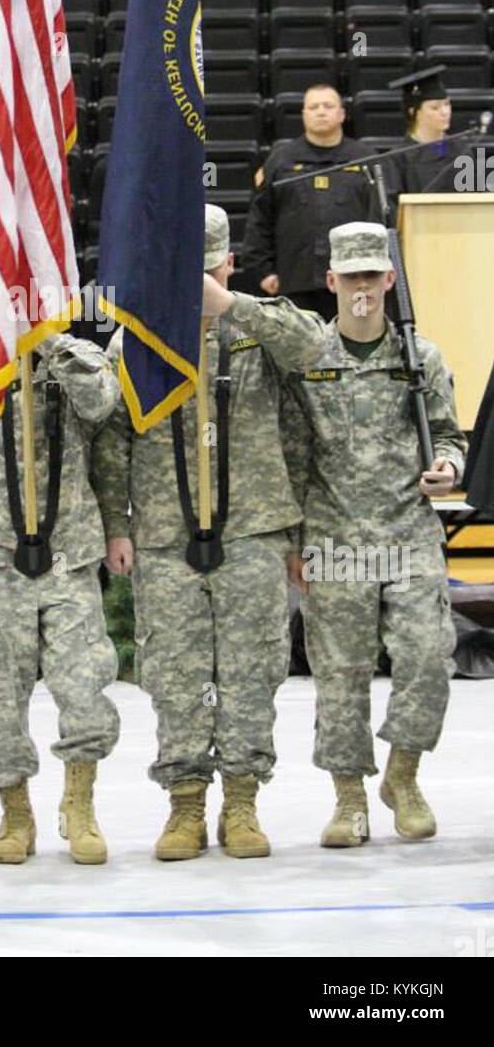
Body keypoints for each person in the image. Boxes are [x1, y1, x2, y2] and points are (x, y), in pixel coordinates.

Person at [90, 205, 327, 860]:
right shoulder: (137, 339)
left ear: (228, 263)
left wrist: (231, 306)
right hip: (166, 532)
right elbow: (112, 439)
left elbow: (316, 346)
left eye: (208, 268)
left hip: (253, 528)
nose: (195, 280)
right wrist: (117, 523)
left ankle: (244, 802)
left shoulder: (257, 329)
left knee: (252, 672)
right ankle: (186, 804)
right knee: (175, 675)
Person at [281, 222, 466, 848]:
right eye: (350, 276)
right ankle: (349, 797)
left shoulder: (422, 357)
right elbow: (291, 453)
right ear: (331, 281)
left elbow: (449, 434)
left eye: (372, 275)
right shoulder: (309, 360)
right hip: (332, 538)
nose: (362, 287)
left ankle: (403, 777)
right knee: (340, 673)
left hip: (408, 532)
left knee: (426, 656)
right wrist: (292, 540)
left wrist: (448, 467)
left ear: (390, 279)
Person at [0, 331, 121, 865]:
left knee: (86, 688)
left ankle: (80, 802)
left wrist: (58, 354)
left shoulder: (81, 363)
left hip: (70, 553)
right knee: (0, 696)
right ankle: (16, 812)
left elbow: (102, 408)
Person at [242, 83, 378, 320]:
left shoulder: (366, 158)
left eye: (328, 106)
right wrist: (263, 271)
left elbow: (379, 218)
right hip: (295, 281)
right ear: (304, 115)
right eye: (313, 107)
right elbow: (260, 218)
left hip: (354, 280)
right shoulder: (281, 160)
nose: (321, 111)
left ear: (342, 114)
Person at [386, 64, 482, 195]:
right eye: (435, 107)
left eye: (447, 104)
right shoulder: (399, 159)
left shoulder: (461, 151)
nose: (445, 112)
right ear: (413, 111)